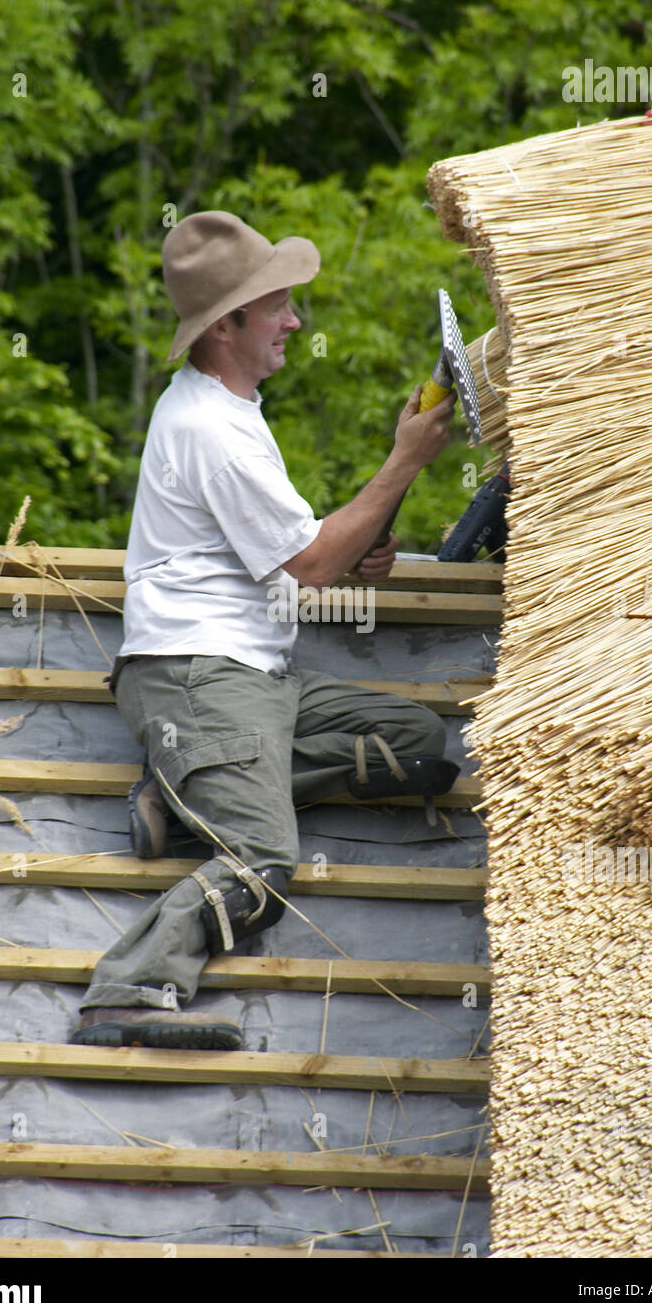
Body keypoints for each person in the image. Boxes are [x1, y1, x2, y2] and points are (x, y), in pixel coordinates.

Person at [70, 210, 458, 1052]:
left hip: (248, 679)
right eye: (277, 305)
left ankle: (181, 791)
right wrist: (402, 463)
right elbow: (308, 568)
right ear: (224, 326)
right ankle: (125, 990)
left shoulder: (232, 410)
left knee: (418, 743)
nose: (293, 321)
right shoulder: (212, 429)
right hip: (197, 676)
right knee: (259, 860)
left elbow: (296, 551)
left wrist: (357, 547)